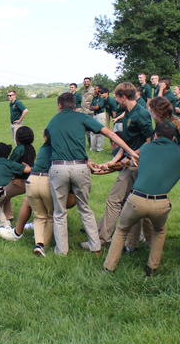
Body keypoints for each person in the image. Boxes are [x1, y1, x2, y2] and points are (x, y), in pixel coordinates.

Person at [103, 121, 180, 275]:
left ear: (155, 135)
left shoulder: (146, 147)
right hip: (160, 203)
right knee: (159, 231)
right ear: (174, 138)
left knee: (121, 230)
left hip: (136, 199)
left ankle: (109, 267)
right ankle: (152, 267)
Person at [47, 92, 139, 255]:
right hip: (80, 168)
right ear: (75, 105)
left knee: (59, 212)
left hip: (58, 168)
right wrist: (130, 151)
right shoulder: (81, 117)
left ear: (59, 105)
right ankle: (95, 246)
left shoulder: (52, 122)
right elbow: (109, 133)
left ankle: (61, 251)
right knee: (85, 208)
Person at [96, 83, 154, 249]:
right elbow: (125, 143)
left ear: (123, 97)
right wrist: (114, 161)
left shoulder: (141, 114)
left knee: (116, 200)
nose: (115, 100)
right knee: (131, 202)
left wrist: (132, 156)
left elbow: (150, 141)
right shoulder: (127, 114)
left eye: (116, 96)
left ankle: (102, 240)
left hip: (136, 165)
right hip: (128, 162)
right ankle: (133, 240)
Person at [1, 126, 35, 221]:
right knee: (6, 193)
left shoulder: (19, 149)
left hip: (19, 182)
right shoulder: (31, 148)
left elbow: (11, 164)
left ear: (17, 138)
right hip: (29, 180)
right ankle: (8, 216)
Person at [89, 85, 107, 151]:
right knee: (92, 131)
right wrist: (94, 107)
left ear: (99, 89)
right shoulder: (94, 97)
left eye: (95, 89)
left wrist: (94, 107)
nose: (94, 90)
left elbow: (98, 107)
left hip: (100, 115)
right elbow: (90, 107)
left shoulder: (102, 97)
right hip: (94, 115)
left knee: (100, 132)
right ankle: (93, 148)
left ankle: (99, 148)